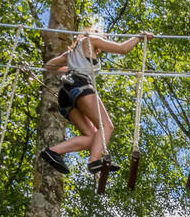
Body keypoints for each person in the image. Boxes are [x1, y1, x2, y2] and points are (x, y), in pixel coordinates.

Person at [39, 25, 152, 175]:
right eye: (103, 38)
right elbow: (123, 49)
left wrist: (70, 70)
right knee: (106, 127)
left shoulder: (72, 52)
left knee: (93, 138)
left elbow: (50, 66)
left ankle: (53, 152)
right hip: (80, 87)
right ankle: (94, 161)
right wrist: (139, 37)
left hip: (66, 93)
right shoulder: (91, 39)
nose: (103, 42)